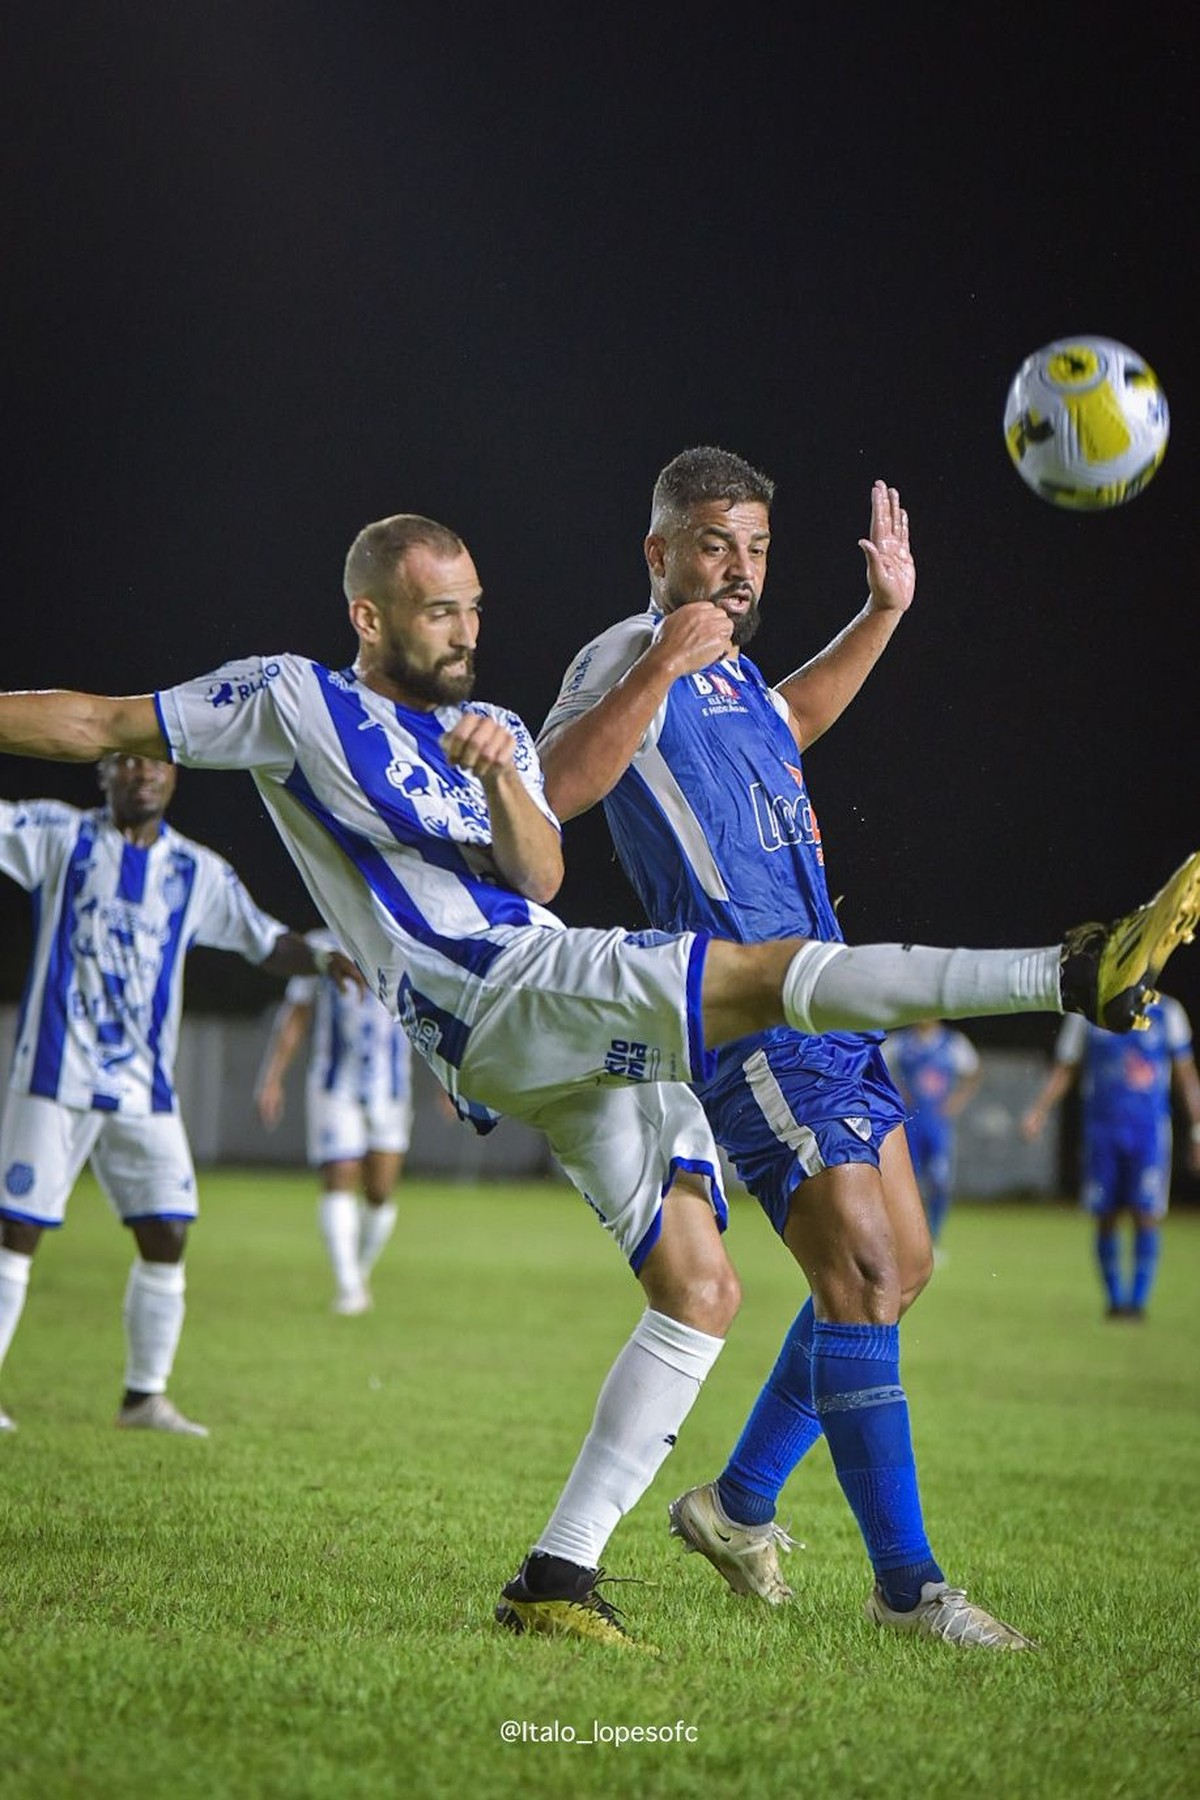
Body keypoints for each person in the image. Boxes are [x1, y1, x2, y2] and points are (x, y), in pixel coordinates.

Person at [0, 514, 1194, 1650]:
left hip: (533, 1008)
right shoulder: (292, 698)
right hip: (498, 989)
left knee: (703, 1286)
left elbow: (543, 864)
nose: (464, 632)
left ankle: (558, 1577)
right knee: (767, 981)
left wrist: (501, 779)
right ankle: (1068, 969)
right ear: (368, 616)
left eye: (472, 609)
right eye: (435, 613)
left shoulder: (500, 728)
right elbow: (101, 721)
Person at [535, 446, 1183, 1650]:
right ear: (658, 551)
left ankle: (735, 1505)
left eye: (758, 550)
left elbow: (793, 720)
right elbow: (553, 789)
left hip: (829, 995)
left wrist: (881, 613)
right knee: (865, 1278)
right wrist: (661, 660)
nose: (736, 572)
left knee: (905, 1267)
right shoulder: (627, 655)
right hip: (750, 1012)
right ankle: (908, 1589)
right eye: (714, 545)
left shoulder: (735, 685)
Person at [0, 754, 357, 1435]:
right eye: (126, 761)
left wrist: (317, 956)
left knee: (166, 1230)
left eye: (156, 762)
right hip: (55, 1075)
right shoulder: (61, 836)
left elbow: (262, 939)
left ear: (175, 778)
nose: (142, 773)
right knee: (15, 1229)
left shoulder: (196, 871)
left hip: (145, 1088)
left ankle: (144, 1399)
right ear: (102, 774)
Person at [256, 926, 414, 1315]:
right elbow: (296, 1015)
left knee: (379, 1191)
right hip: (333, 1084)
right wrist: (272, 1077)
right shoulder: (321, 946)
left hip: (389, 1086)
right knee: (339, 1173)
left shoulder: (406, 942)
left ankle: (356, 1273)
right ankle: (348, 1286)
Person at [1021, 996, 1200, 1319]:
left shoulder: (1168, 1012)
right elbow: (1066, 1067)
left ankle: (1139, 1301)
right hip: (1102, 1131)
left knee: (1146, 1212)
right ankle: (1116, 1301)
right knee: (1106, 1214)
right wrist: (1039, 1110)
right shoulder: (1089, 1013)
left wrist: (1197, 1128)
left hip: (1150, 1132)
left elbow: (1185, 1073)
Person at [885, 1021, 983, 1249]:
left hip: (938, 1126)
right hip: (908, 1126)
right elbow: (874, 1065)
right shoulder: (900, 1042)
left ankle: (933, 1237)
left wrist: (957, 1101)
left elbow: (974, 1073)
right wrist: (895, 1093)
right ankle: (910, 1240)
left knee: (940, 1182)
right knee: (908, 1185)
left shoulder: (953, 1043)